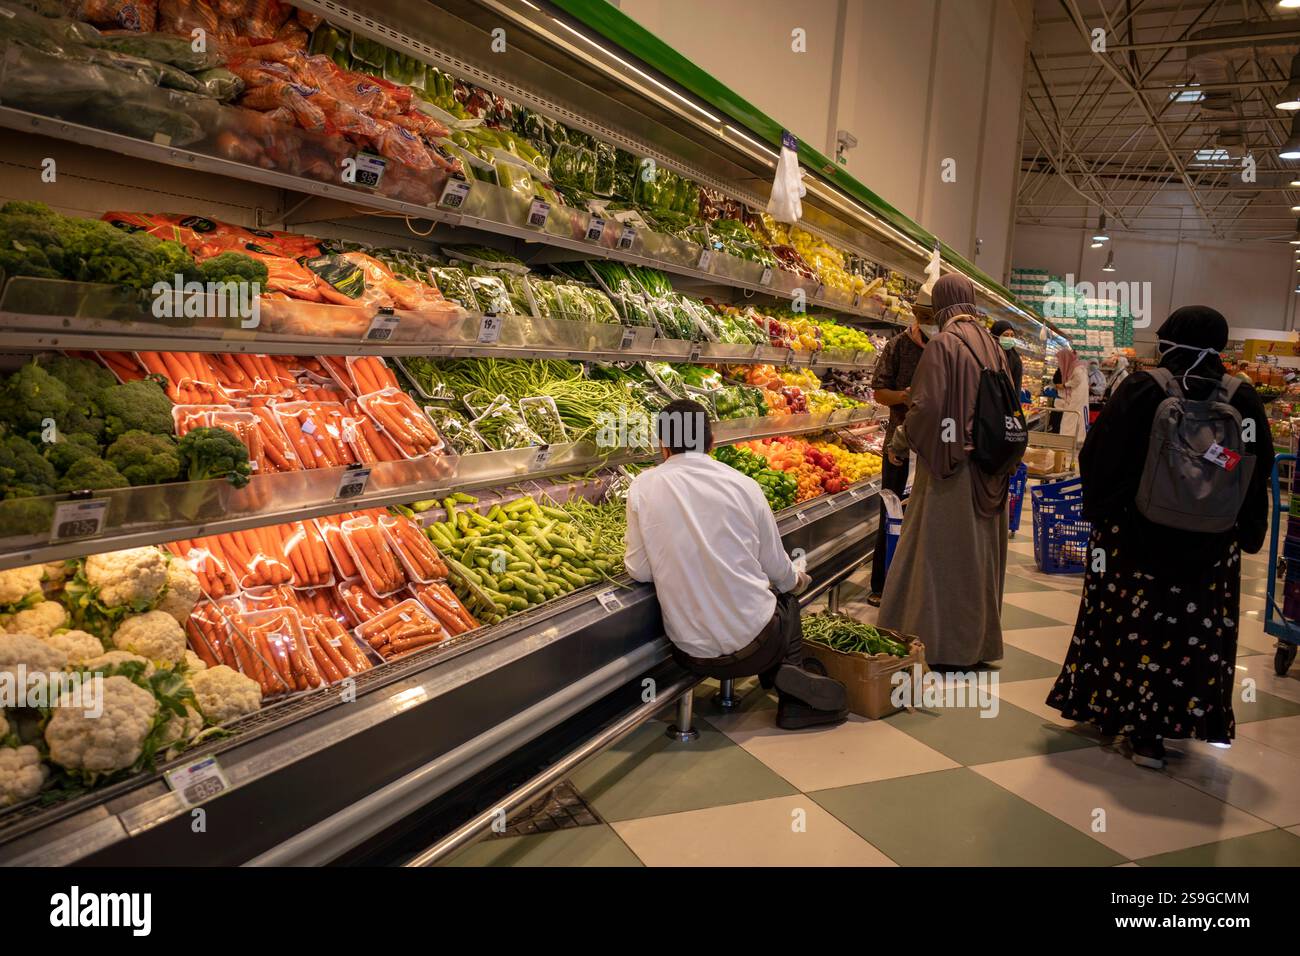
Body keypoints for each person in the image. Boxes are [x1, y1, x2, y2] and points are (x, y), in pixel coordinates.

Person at [1045, 306, 1269, 769]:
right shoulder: (1243, 399)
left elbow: (1100, 454)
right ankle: (1176, 723)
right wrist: (1247, 531)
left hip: (1135, 540)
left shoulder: (1145, 388)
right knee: (1192, 637)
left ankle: (1121, 714)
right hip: (1211, 547)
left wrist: (1104, 515)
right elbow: (1255, 467)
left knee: (1132, 627)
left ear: (1169, 341)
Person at [623, 399, 849, 730]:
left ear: (663, 446)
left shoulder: (642, 486)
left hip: (688, 652)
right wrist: (798, 581)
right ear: (711, 442)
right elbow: (779, 570)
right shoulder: (744, 485)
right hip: (758, 645)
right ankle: (793, 690)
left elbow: (639, 570)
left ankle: (788, 677)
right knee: (787, 597)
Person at [876, 274, 1013, 667]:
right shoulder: (990, 344)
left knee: (939, 557)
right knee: (978, 559)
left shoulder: (945, 344)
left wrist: (900, 443)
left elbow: (927, 408)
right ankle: (977, 644)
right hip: (990, 469)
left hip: (952, 471)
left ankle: (937, 644)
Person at [865, 313, 929, 606]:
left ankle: (915, 587)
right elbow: (878, 392)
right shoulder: (897, 346)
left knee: (925, 516)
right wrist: (903, 396)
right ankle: (881, 585)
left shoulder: (944, 345)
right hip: (898, 447)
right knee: (891, 511)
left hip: (931, 446)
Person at [1054, 347, 1089, 446]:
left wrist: (1064, 385)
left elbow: (1076, 381)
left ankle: (1067, 439)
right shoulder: (1078, 366)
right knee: (1074, 418)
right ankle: (1072, 438)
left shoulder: (1076, 368)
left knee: (1070, 418)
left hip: (1076, 398)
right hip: (1078, 397)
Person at [990, 320, 1023, 394]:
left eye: (1012, 335)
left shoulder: (1015, 358)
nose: (1009, 338)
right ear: (995, 335)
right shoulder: (989, 353)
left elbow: (1017, 384)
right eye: (1006, 335)